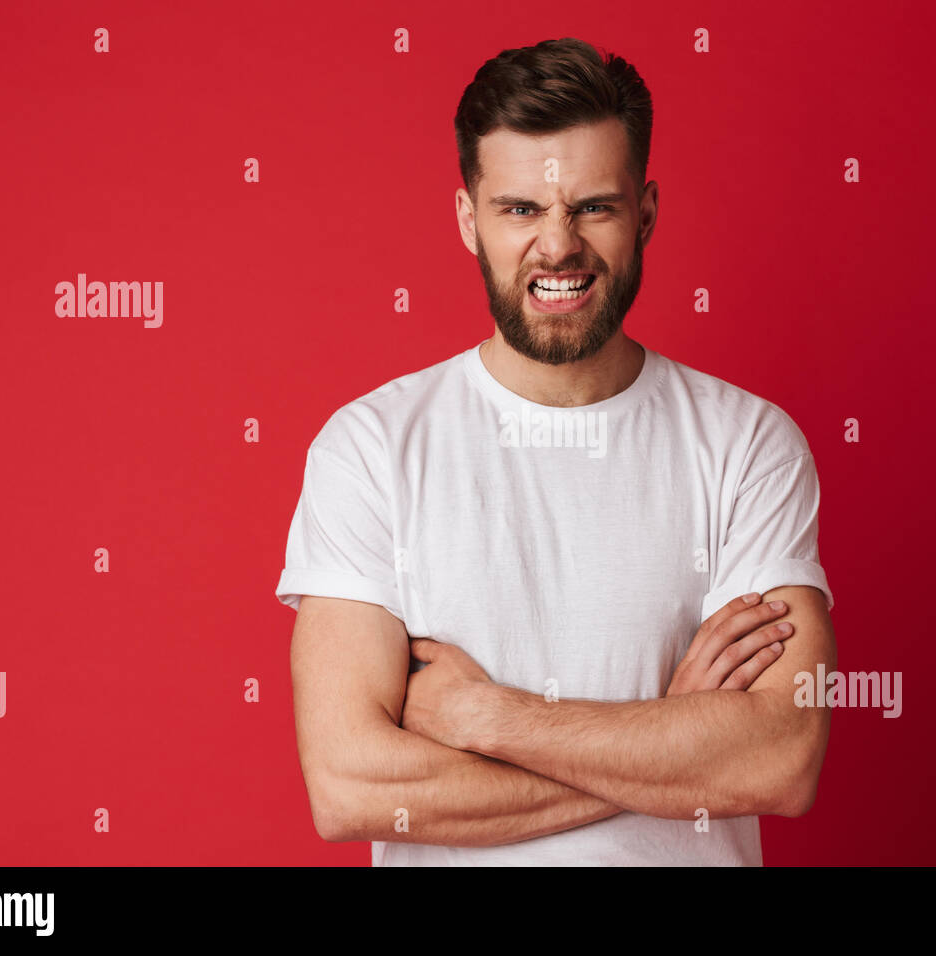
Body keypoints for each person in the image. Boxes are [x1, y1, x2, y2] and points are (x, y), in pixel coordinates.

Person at [276, 37, 837, 866]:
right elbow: (351, 787)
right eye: (521, 210)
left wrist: (487, 719)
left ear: (645, 211)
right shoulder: (370, 449)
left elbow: (780, 758)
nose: (558, 246)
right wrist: (670, 739)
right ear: (469, 219)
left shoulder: (748, 443)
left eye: (594, 207)